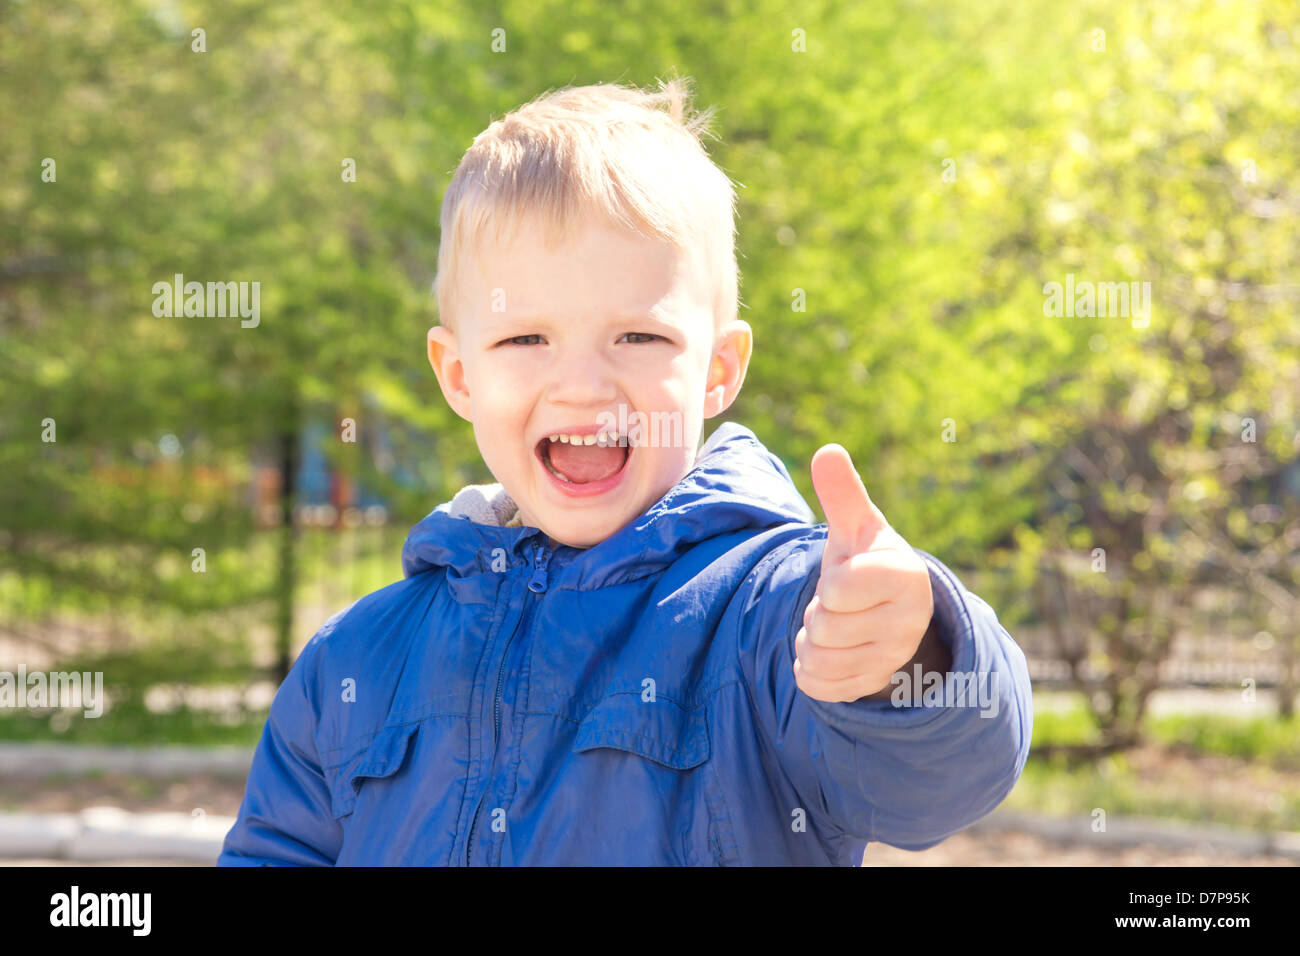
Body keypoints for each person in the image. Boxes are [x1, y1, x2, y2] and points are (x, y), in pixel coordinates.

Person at [219, 77, 1032, 866]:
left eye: (638, 338)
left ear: (717, 369)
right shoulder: (358, 659)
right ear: (459, 373)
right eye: (523, 339)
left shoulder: (770, 618)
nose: (581, 384)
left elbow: (932, 788)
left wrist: (908, 655)